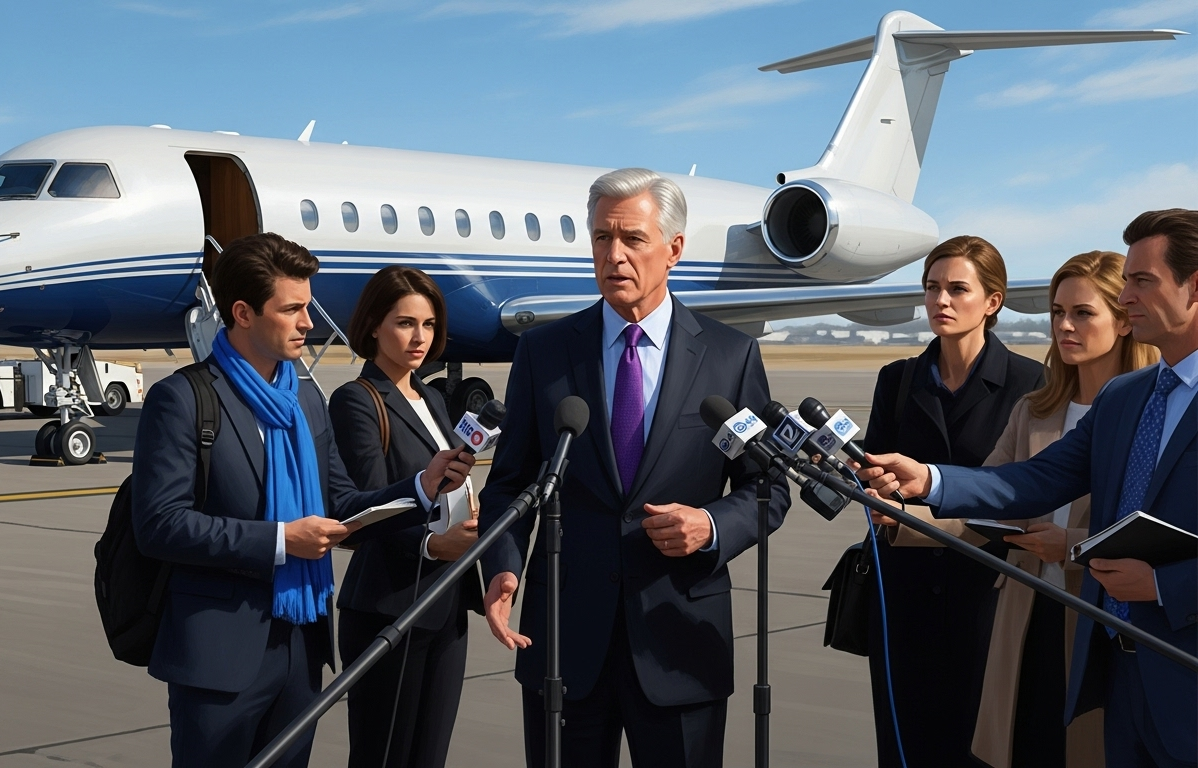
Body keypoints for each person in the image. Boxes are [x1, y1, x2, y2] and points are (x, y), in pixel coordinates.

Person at [860, 209, 1198, 768]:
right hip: (1115, 675)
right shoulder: (1127, 397)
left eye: (1142, 281)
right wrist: (931, 479)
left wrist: (1166, 585)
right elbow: (1035, 479)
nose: (1127, 297)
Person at [478, 168, 791, 768]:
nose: (614, 255)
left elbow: (767, 485)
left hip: (681, 641)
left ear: (674, 249)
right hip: (564, 642)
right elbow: (509, 483)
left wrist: (711, 526)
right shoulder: (544, 352)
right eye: (602, 238)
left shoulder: (729, 356)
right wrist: (503, 565)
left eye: (632, 239)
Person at [131, 233, 476, 768]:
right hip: (221, 654)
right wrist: (280, 540)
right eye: (291, 309)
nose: (308, 323)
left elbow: (341, 502)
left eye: (307, 307)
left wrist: (420, 487)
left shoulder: (306, 400)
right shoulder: (184, 398)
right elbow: (160, 524)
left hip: (300, 644)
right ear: (243, 313)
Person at [858, 235, 1046, 768]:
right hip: (903, 595)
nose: (941, 300)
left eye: (958, 288)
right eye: (932, 287)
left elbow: (1028, 490)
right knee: (904, 746)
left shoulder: (1032, 383)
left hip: (986, 594)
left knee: (981, 747)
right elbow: (875, 477)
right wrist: (873, 485)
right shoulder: (897, 380)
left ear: (992, 301)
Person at [329, 265, 483, 768]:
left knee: (429, 755)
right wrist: (430, 543)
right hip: (388, 605)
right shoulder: (357, 399)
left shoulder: (432, 397)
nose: (420, 337)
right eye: (405, 323)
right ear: (374, 325)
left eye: (429, 324)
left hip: (446, 600)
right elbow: (365, 503)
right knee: (385, 756)